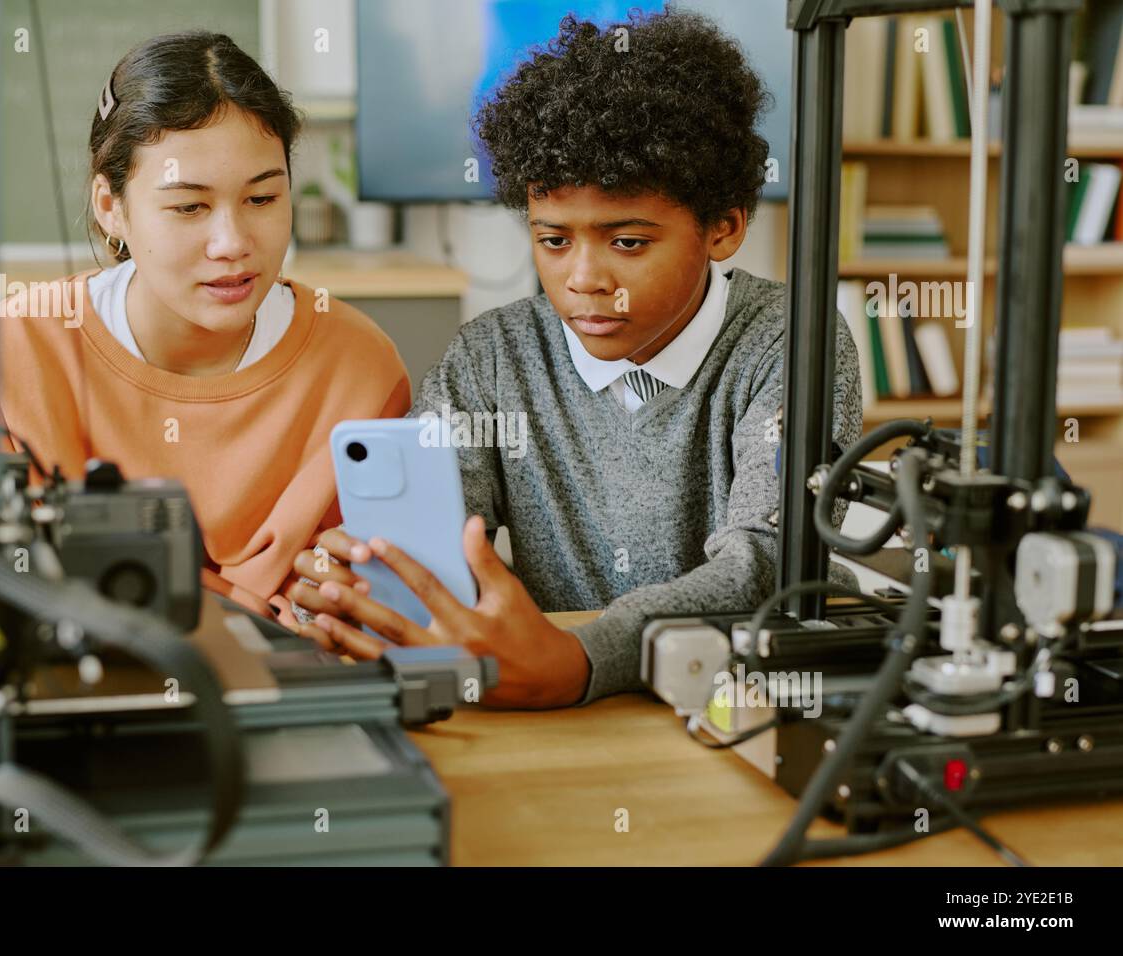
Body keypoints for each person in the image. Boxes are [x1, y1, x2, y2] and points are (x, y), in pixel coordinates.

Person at [289, 11, 862, 707]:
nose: (583, 279)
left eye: (627, 242)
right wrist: (365, 579)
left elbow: (771, 563)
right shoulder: (493, 354)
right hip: (560, 706)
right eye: (554, 240)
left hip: (737, 698)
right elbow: (430, 532)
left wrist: (587, 656)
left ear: (725, 226)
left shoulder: (791, 340)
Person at [0, 32, 409, 620]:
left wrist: (335, 606)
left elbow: (372, 597)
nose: (233, 244)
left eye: (263, 199)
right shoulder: (22, 347)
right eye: (189, 206)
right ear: (110, 206)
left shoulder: (359, 366)